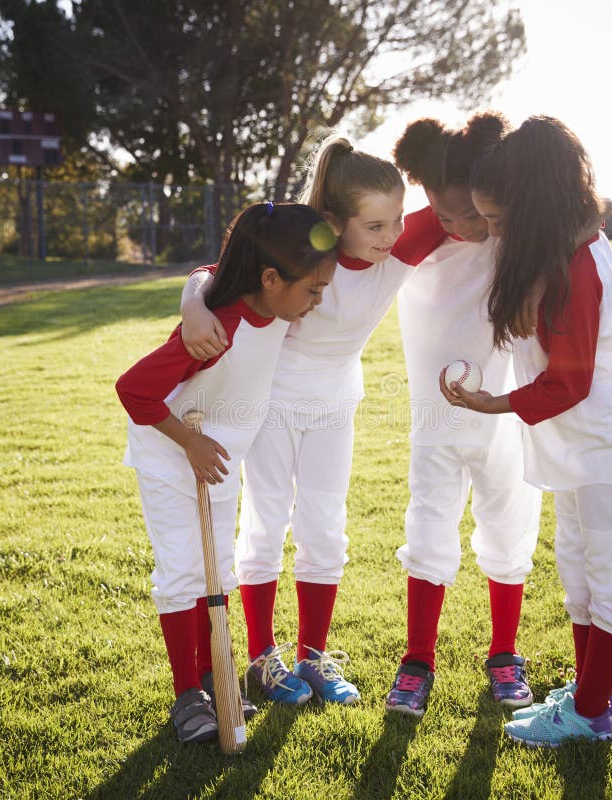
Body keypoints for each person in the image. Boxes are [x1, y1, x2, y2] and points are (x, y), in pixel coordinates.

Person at [179, 137, 447, 706]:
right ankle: (262, 658)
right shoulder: (301, 247)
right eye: (374, 226)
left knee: (326, 525)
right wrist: (192, 307)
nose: (391, 236)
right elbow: (210, 272)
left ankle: (313, 656)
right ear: (333, 222)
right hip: (270, 403)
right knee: (266, 521)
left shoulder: (395, 251)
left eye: (397, 220)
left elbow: (460, 208)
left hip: (336, 405)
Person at [442, 115, 612, 746]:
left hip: (609, 449)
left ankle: (592, 714)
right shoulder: (555, 251)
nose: (490, 232)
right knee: (578, 572)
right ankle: (589, 696)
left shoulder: (580, 267)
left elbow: (570, 381)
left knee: (611, 578)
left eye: (498, 220)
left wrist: (493, 404)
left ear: (534, 206)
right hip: (576, 445)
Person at [115, 202, 336, 742]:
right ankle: (188, 694)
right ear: (270, 278)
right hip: (171, 451)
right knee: (183, 574)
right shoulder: (219, 329)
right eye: (312, 290)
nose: (317, 301)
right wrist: (188, 441)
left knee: (217, 574)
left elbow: (211, 272)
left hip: (216, 456)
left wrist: (193, 290)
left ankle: (216, 679)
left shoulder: (273, 309)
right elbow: (133, 389)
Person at [385, 113, 542, 717]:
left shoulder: (512, 222)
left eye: (471, 215)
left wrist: (529, 286)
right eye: (447, 215)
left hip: (505, 416)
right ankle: (417, 659)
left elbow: (589, 208)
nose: (461, 227)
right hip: (436, 422)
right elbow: (334, 251)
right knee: (428, 526)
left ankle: (504, 653)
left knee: (508, 528)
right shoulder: (419, 232)